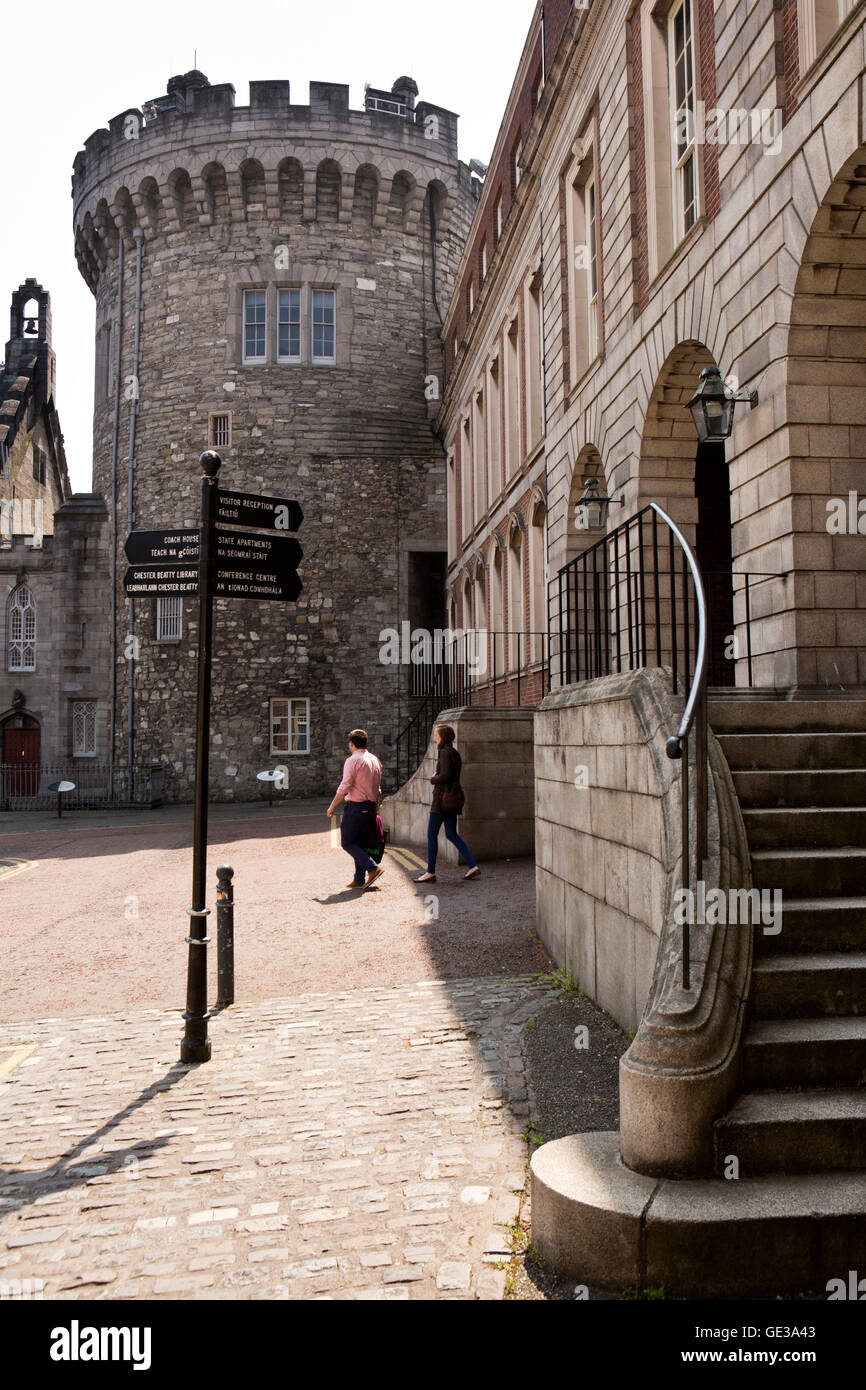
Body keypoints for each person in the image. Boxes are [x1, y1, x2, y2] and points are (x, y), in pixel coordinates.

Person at [415, 723, 479, 883]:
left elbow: (445, 776)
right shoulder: (454, 753)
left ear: (443, 736)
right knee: (451, 834)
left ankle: (430, 872)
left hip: (442, 800)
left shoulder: (444, 753)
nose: (435, 737)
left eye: (437, 734)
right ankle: (472, 866)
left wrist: (433, 778)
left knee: (431, 834)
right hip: (452, 798)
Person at [326, 729, 385, 890]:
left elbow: (344, 786)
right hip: (371, 807)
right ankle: (359, 878)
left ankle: (372, 868)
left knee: (347, 842)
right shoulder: (374, 760)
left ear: (351, 744)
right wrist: (376, 808)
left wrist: (332, 805)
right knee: (359, 843)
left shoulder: (353, 760)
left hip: (357, 807)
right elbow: (378, 788)